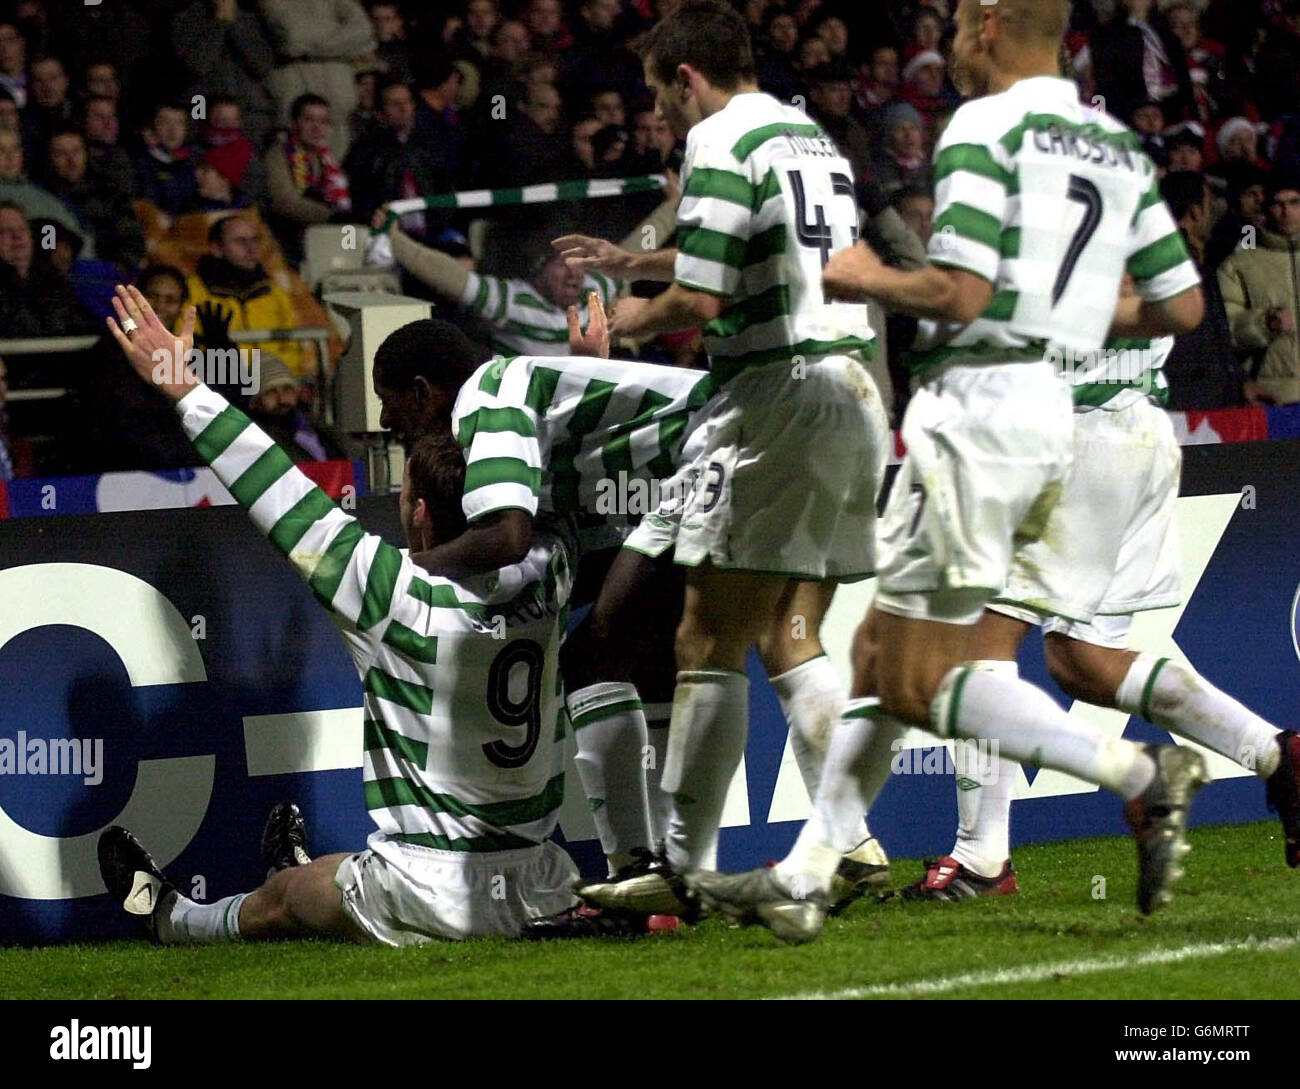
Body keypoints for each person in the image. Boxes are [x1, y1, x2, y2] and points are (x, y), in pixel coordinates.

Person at [689, 0, 1208, 943]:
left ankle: (1134, 773)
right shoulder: (1114, 149)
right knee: (885, 659)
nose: (954, 35)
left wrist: (865, 279)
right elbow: (1180, 305)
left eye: (966, 16)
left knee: (927, 672)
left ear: (995, 27)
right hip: (1046, 418)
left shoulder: (984, 127)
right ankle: (806, 874)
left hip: (979, 415)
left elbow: (958, 291)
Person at [98, 285, 580, 945]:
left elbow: (282, 493)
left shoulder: (396, 592)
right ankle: (296, 868)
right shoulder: (549, 569)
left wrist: (185, 388)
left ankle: (173, 917)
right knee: (323, 873)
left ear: (417, 511)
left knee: (288, 897)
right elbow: (553, 492)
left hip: (431, 889)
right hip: (543, 884)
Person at [549, 0, 887, 916]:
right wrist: (634, 260)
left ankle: (683, 866)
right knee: (783, 630)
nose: (663, 119)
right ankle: (851, 840)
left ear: (686, 79)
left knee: (702, 633)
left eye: (661, 100)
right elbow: (752, 257)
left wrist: (623, 317)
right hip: (849, 388)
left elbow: (702, 299)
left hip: (776, 393)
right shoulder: (806, 136)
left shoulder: (719, 140)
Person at [371, 187, 679, 358]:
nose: (574, 273)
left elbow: (638, 246)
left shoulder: (593, 287)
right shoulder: (512, 301)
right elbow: (450, 277)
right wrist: (396, 241)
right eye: (561, 263)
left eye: (578, 262)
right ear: (537, 270)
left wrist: (676, 201)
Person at [187, 214, 310, 379]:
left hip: (275, 385)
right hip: (221, 385)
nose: (251, 249)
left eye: (254, 240)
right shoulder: (193, 291)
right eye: (240, 241)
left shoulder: (273, 291)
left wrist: (272, 376)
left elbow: (293, 347)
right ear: (216, 248)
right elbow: (188, 347)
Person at [1217, 175, 1300, 404]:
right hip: (1272, 397)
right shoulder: (1238, 265)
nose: (1287, 211)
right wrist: (1264, 324)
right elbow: (1224, 332)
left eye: (1295, 202)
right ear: (1266, 210)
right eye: (1278, 204)